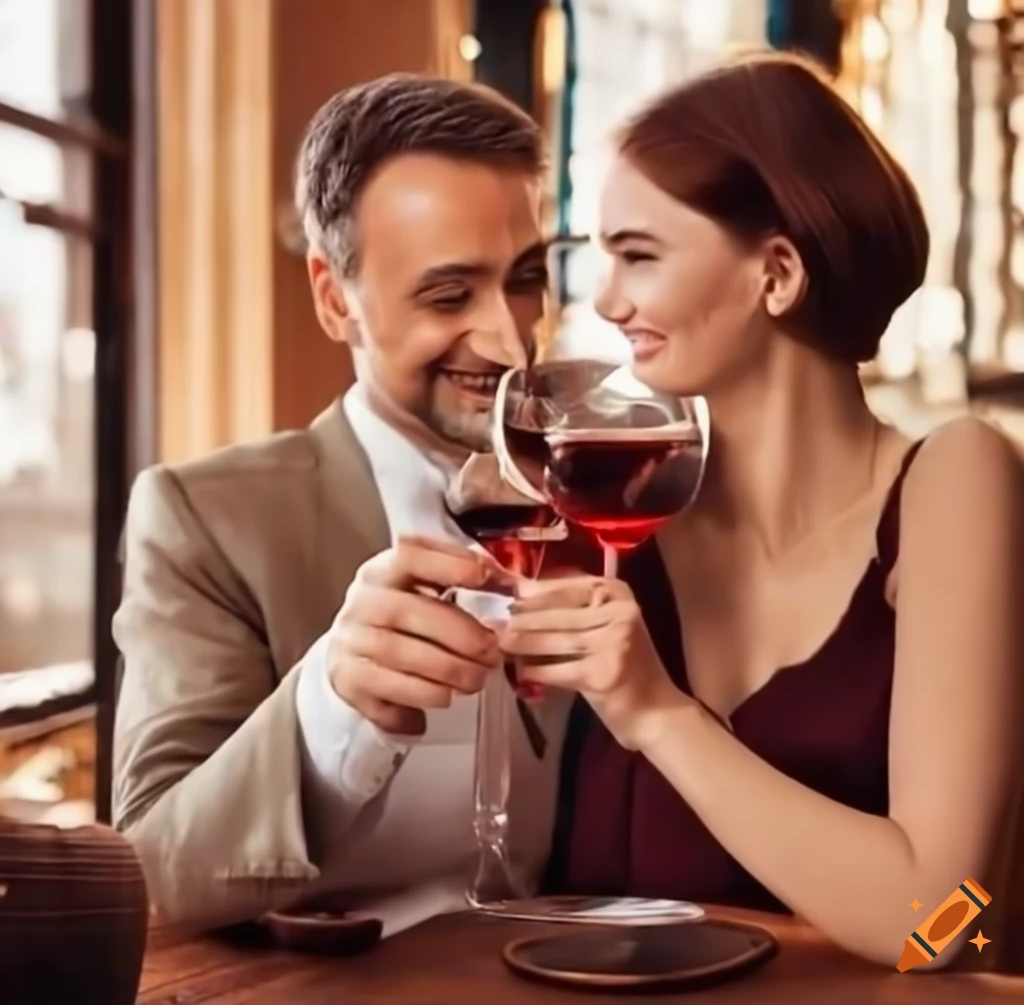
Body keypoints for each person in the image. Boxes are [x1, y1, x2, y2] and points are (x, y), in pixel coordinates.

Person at [499, 53, 1024, 968]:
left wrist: (658, 714)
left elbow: (947, 921)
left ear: (776, 273)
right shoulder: (614, 511)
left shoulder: (954, 483)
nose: (608, 300)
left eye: (638, 255)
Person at [112, 74, 574, 932]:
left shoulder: (595, 499)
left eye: (526, 278)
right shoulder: (203, 518)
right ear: (335, 299)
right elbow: (153, 873)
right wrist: (334, 700)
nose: (511, 340)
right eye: (447, 295)